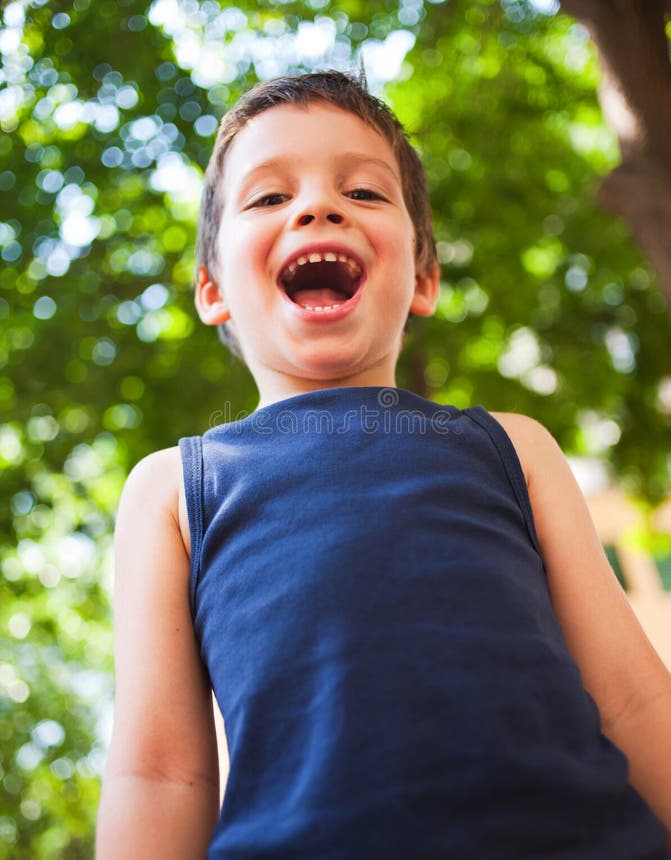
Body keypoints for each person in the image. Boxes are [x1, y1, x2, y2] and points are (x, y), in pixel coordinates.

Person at [96, 70, 671, 859]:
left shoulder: (510, 447)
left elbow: (634, 701)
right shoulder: (174, 489)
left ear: (425, 277)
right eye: (267, 198)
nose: (317, 207)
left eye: (364, 192)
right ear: (213, 288)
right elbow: (160, 775)